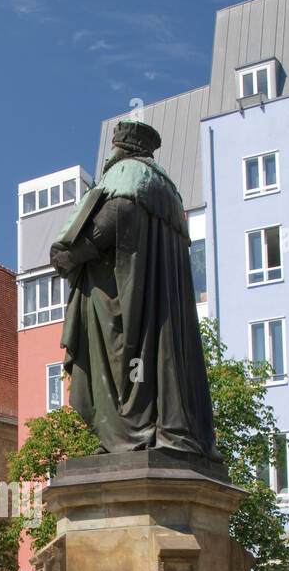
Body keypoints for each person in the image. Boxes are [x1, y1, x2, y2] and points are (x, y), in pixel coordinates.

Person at [51, 119, 219, 458]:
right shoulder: (168, 193)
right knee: (155, 367)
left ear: (122, 151)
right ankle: (155, 427)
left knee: (128, 370)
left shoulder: (127, 180)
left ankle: (127, 434)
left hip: (129, 313)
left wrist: (68, 254)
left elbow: (104, 227)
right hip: (163, 319)